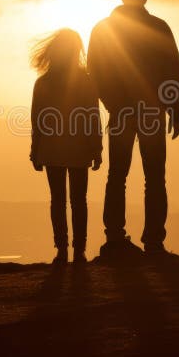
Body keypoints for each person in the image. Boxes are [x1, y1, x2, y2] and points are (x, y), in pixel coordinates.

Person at [87, 0, 179, 259]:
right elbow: (173, 71)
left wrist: (113, 104)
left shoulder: (104, 29)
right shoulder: (158, 27)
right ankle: (151, 242)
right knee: (152, 178)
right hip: (149, 111)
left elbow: (95, 71)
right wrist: (175, 108)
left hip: (125, 112)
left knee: (119, 176)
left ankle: (117, 238)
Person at [30, 28, 103, 265]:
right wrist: (97, 149)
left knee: (58, 201)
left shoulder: (43, 83)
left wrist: (36, 150)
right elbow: (93, 116)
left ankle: (62, 251)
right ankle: (78, 251)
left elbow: (37, 119)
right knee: (78, 201)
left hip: (51, 149)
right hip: (79, 148)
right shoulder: (86, 81)